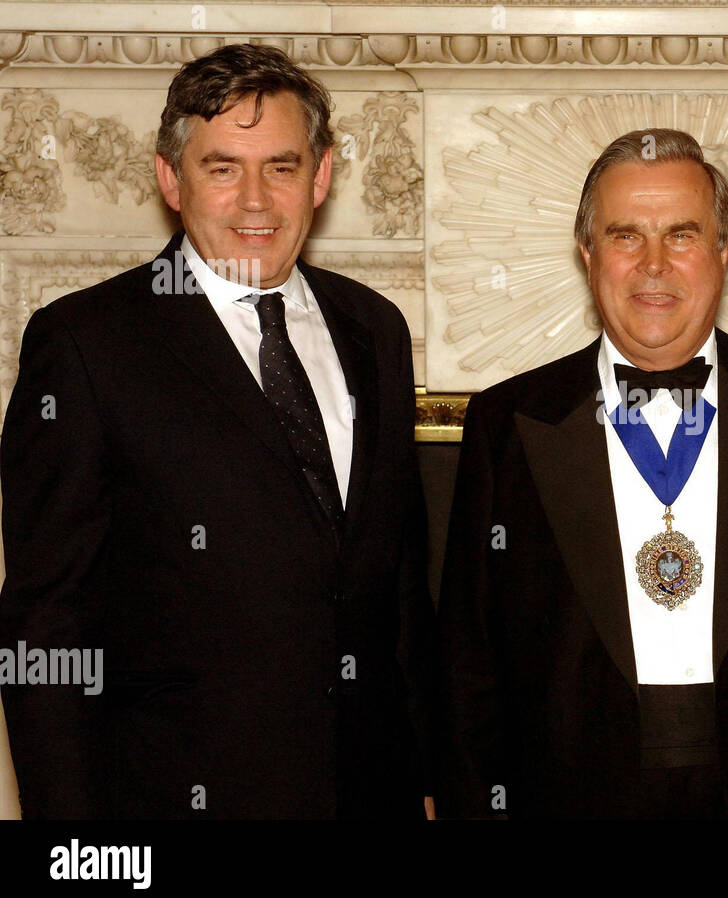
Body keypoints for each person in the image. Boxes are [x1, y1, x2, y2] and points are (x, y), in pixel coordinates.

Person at [0, 43, 433, 818]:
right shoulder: (88, 344)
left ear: (323, 174)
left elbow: (398, 587)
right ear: (171, 179)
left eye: (283, 166)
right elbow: (47, 627)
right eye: (223, 168)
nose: (256, 200)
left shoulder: (376, 330)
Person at [436, 128, 728, 819]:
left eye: (682, 235)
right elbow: (468, 664)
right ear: (588, 253)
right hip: (571, 791)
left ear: (723, 251)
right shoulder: (507, 422)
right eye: (626, 236)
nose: (654, 265)